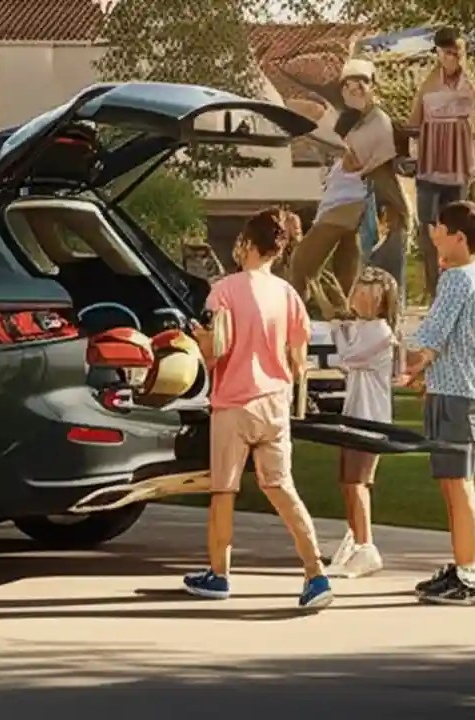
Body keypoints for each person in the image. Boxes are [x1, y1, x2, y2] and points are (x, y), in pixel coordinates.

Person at [185, 207, 333, 609]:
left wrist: (199, 339)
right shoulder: (288, 294)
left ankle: (219, 574)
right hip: (274, 403)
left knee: (224, 491)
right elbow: (299, 360)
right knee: (282, 488)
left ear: (247, 244)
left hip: (233, 403)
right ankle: (316, 573)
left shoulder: (225, 290)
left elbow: (217, 351)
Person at [399, 200, 475, 606]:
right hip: (462, 391)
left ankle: (469, 577)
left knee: (458, 483)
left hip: (458, 395)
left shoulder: (457, 280)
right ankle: (461, 565)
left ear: (458, 237)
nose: (432, 233)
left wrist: (407, 371)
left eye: (438, 227)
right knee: (452, 483)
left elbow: (429, 341)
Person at [287, 58, 404, 318]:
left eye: (363, 82)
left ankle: (296, 320)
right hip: (340, 199)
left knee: (302, 263)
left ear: (373, 86)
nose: (357, 88)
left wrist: (335, 141)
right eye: (350, 84)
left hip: (352, 202)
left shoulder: (377, 122)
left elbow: (361, 164)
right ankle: (346, 323)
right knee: (345, 271)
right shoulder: (349, 119)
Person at [324, 266, 401, 578]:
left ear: (379, 300)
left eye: (364, 293)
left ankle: (366, 546)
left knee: (357, 483)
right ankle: (354, 540)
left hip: (369, 419)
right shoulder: (364, 328)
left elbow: (347, 358)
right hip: (355, 415)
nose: (356, 296)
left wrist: (335, 326)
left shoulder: (379, 332)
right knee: (348, 481)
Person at [409, 26, 475, 301]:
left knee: (460, 228)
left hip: (458, 167)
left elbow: (473, 126)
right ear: (439, 54)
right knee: (429, 228)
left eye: (458, 52)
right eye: (449, 52)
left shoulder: (470, 84)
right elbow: (414, 123)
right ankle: (434, 289)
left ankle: (457, 289)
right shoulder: (427, 84)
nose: (455, 58)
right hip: (430, 164)